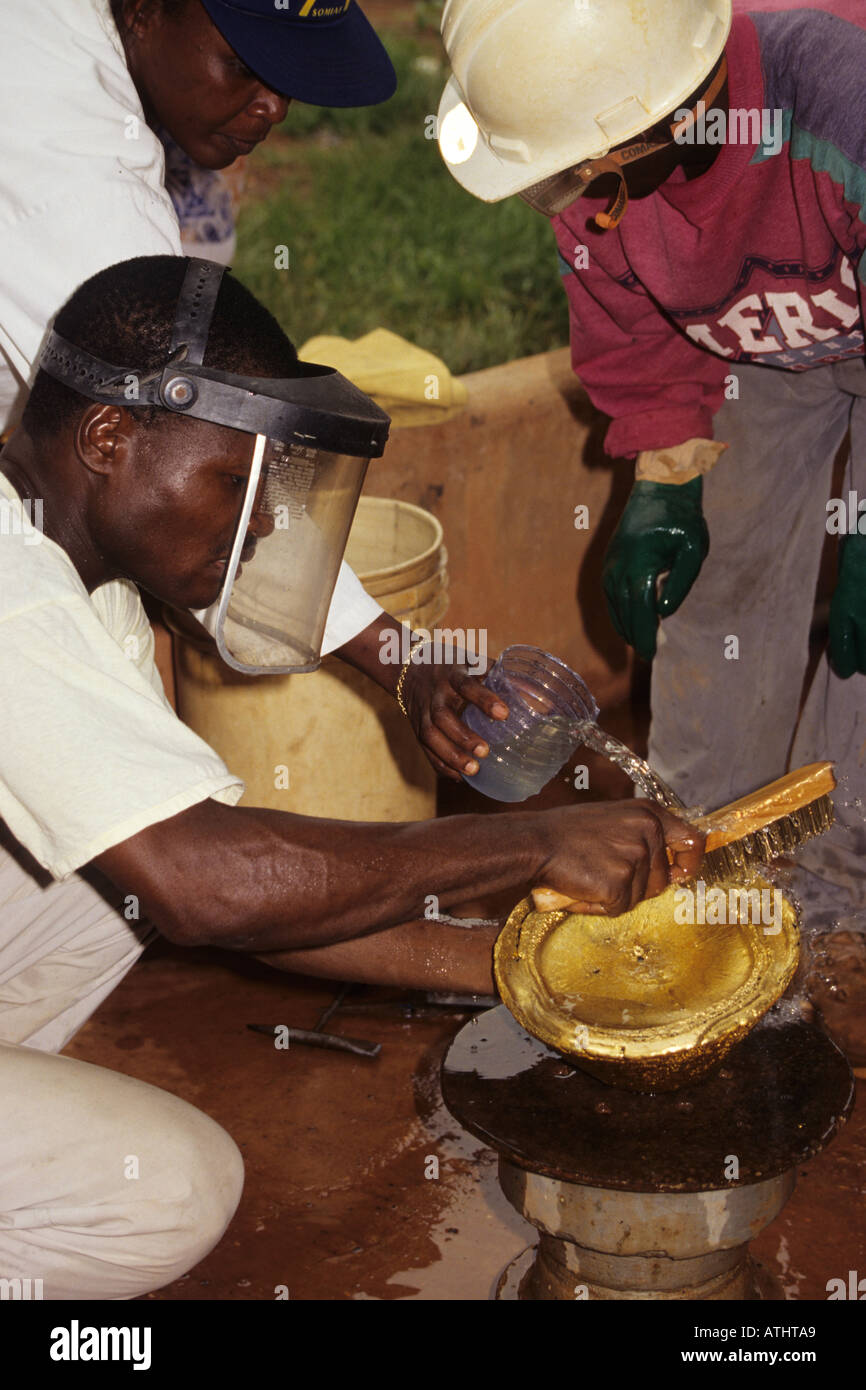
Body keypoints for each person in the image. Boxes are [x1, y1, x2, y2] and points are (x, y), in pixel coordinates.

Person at [0, 255, 703, 1298]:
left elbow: (245, 888)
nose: (270, 525)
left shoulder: (85, 581)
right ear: (111, 438)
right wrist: (534, 843)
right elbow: (212, 887)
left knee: (127, 873)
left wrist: (531, 966)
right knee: (170, 1188)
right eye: (239, 484)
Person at [436, 0, 866, 916]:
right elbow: (630, 326)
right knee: (716, 593)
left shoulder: (838, 95)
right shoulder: (591, 139)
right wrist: (667, 474)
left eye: (584, 168)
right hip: (772, 330)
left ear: (673, 113)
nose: (569, 190)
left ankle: (843, 881)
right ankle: (699, 850)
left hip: (835, 262)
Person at [0, 0, 396, 430]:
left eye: (288, 74)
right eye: (246, 67)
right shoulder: (88, 190)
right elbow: (153, 446)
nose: (276, 109)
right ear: (142, 11)